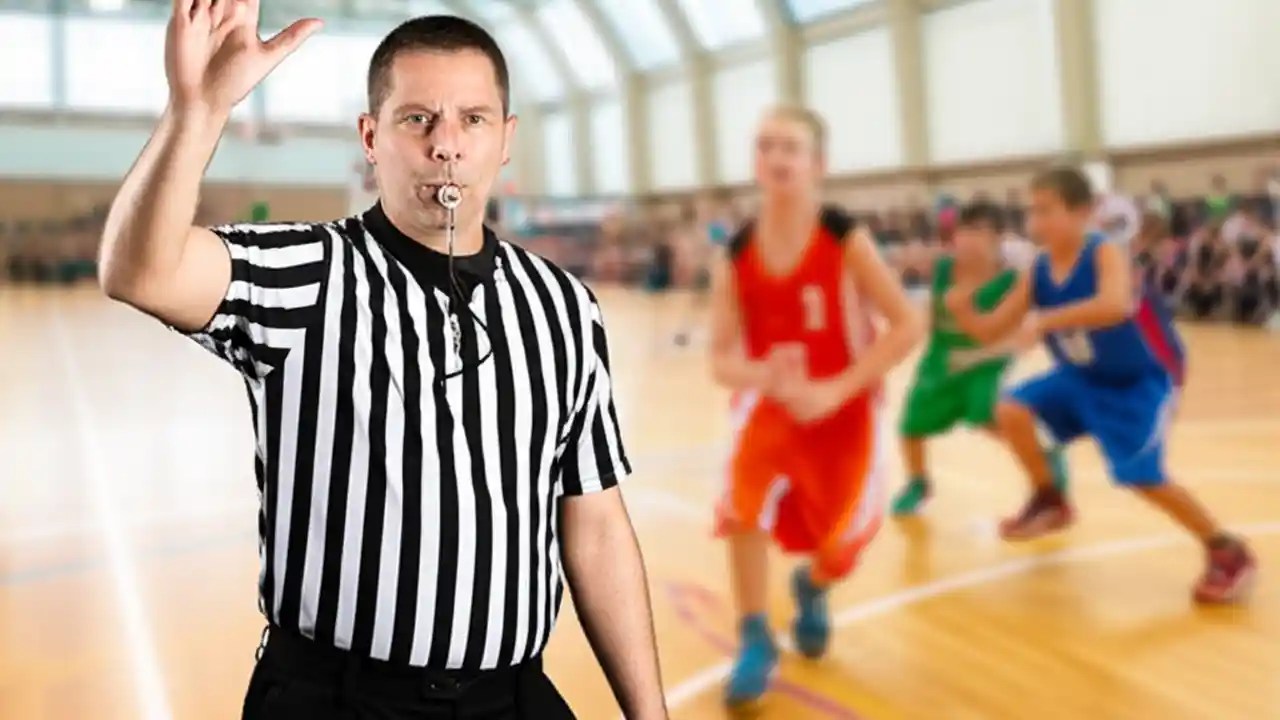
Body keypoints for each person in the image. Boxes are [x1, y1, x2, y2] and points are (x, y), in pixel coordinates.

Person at [98, 5, 666, 719]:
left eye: (473, 119)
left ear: (507, 139)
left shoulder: (563, 307)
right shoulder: (307, 274)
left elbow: (597, 522)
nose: (447, 146)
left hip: (512, 698)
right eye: (417, 119)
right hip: (337, 701)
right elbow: (139, 273)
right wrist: (198, 110)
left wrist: (650, 714)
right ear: (371, 137)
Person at [948, 167, 1257, 604]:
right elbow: (993, 329)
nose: (1034, 221)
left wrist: (1047, 320)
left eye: (1045, 210)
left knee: (1142, 478)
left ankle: (1226, 549)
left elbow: (1115, 305)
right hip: (1082, 376)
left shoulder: (1105, 251)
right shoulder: (1037, 268)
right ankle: (1050, 498)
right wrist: (963, 310)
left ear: (1083, 212)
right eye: (1031, 211)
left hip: (1141, 381)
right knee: (1010, 409)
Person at [707, 105, 924, 708]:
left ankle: (813, 583)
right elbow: (720, 360)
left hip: (846, 408)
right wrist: (765, 376)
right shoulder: (736, 252)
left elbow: (907, 325)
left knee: (842, 545)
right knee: (739, 506)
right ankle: (754, 634)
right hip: (772, 408)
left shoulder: (843, 238)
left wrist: (834, 388)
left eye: (790, 147)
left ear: (817, 165)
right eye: (766, 145)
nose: (776, 157)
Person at [891, 201, 1066, 516]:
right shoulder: (943, 267)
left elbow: (1016, 326)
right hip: (941, 359)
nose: (969, 239)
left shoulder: (1012, 279)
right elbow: (915, 284)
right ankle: (918, 482)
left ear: (998, 238)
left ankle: (1042, 459)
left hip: (988, 361)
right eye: (964, 230)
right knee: (910, 424)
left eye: (979, 232)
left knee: (988, 417)